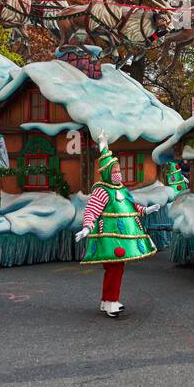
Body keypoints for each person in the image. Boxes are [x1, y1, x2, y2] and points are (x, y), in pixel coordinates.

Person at [74, 135, 157, 317]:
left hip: (121, 237)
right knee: (115, 268)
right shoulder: (103, 191)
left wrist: (146, 210)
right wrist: (87, 227)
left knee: (115, 268)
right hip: (109, 238)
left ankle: (106, 301)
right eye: (115, 171)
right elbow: (92, 210)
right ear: (107, 173)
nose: (118, 174)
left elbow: (131, 206)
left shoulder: (121, 189)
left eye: (119, 170)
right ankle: (111, 302)